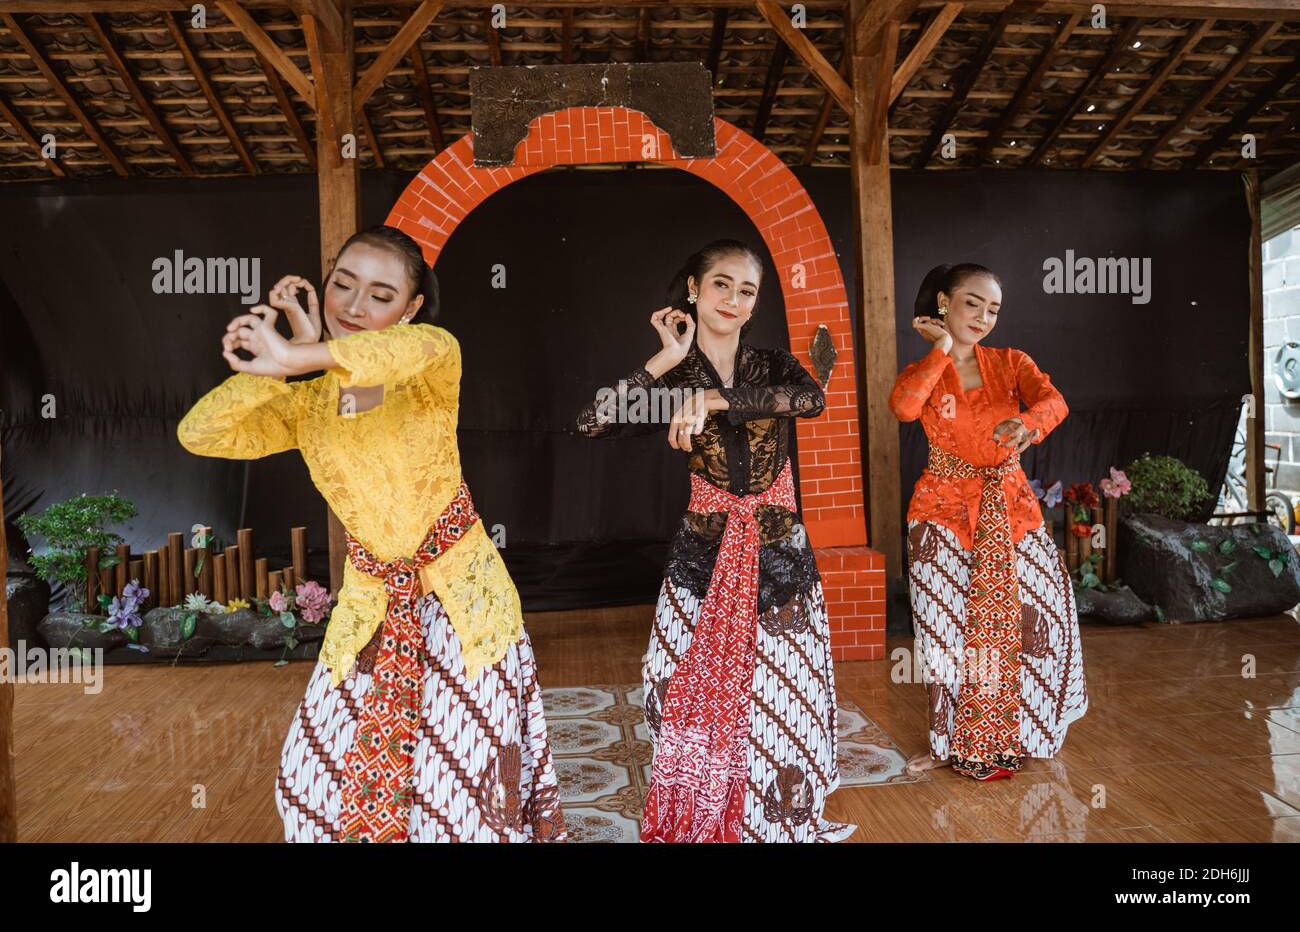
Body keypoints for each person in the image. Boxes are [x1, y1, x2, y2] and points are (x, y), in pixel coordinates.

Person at [178, 225, 565, 842]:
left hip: (462, 606)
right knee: (310, 782)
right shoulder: (309, 405)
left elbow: (389, 358)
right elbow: (203, 434)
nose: (355, 306)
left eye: (381, 295)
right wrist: (274, 371)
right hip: (369, 606)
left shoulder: (431, 357)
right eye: (343, 285)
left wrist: (300, 353)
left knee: (458, 797)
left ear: (411, 308)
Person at [576, 239, 854, 842]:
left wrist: (714, 397)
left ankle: (775, 815)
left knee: (782, 684)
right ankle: (704, 806)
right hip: (704, 546)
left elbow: (811, 399)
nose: (733, 299)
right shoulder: (675, 371)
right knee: (678, 682)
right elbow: (592, 422)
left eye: (747, 290)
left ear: (755, 305)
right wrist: (663, 361)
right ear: (695, 291)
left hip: (778, 545)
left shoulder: (774, 364)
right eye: (721, 284)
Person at [890, 263, 1087, 782]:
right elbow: (905, 408)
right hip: (941, 513)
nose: (982, 316)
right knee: (944, 634)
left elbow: (1055, 402)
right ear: (943, 305)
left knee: (1042, 615)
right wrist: (939, 352)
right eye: (971, 303)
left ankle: (1023, 732)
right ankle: (947, 743)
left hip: (1011, 507)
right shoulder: (925, 369)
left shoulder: (1010, 361)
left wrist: (1027, 423)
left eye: (993, 308)